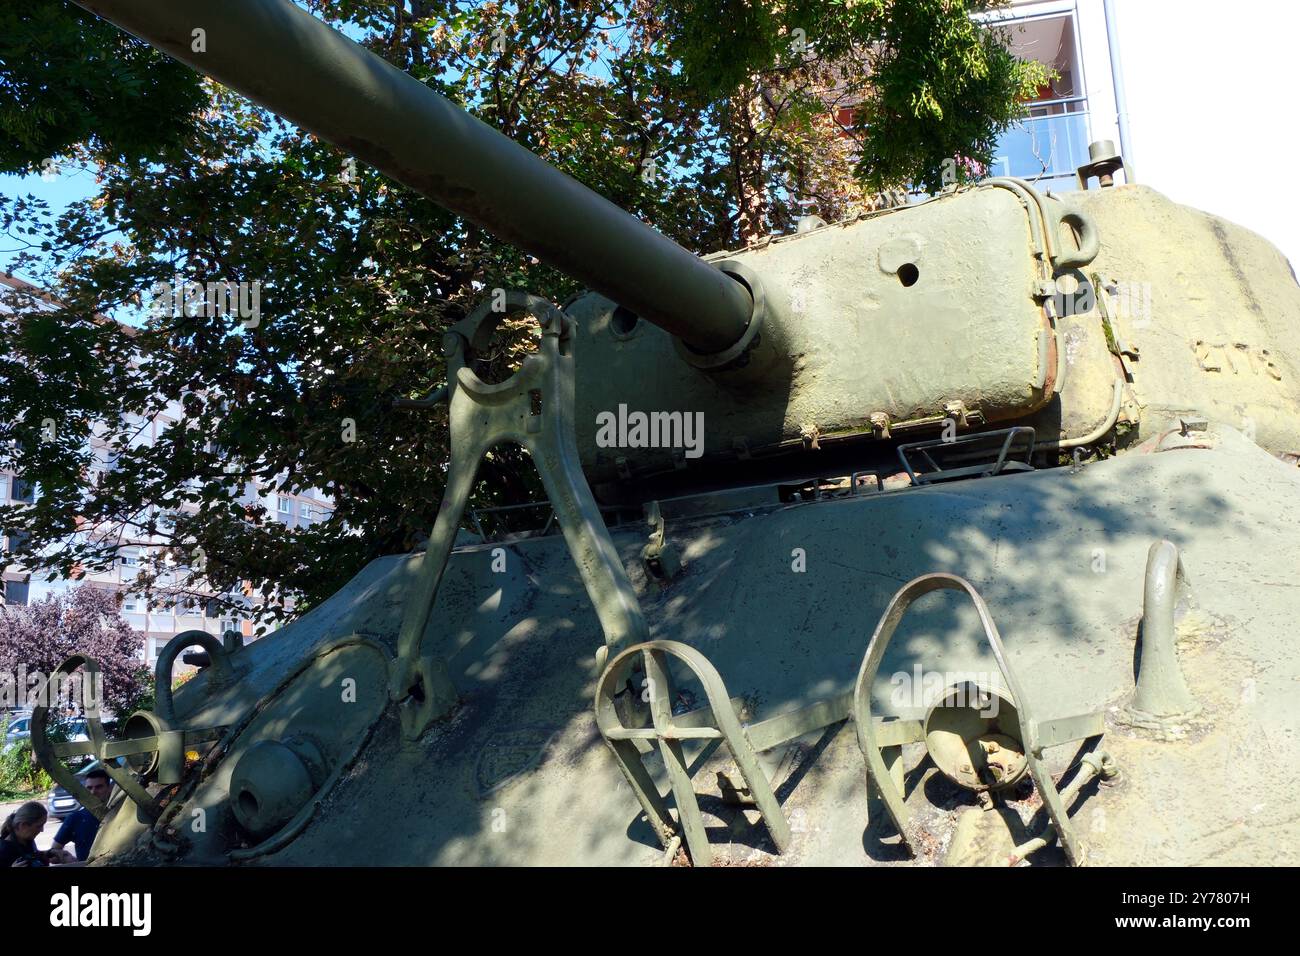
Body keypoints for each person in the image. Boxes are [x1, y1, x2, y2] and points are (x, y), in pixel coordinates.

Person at [53, 768, 110, 862]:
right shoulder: (75, 818)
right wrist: (69, 859)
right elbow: (54, 851)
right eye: (89, 788)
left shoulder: (120, 813)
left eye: (99, 787)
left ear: (109, 788)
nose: (93, 792)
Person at [1, 801, 73, 867]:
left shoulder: (27, 841)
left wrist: (50, 853)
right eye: (39, 826)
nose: (42, 830)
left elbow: (31, 856)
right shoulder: (3, 850)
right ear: (23, 825)